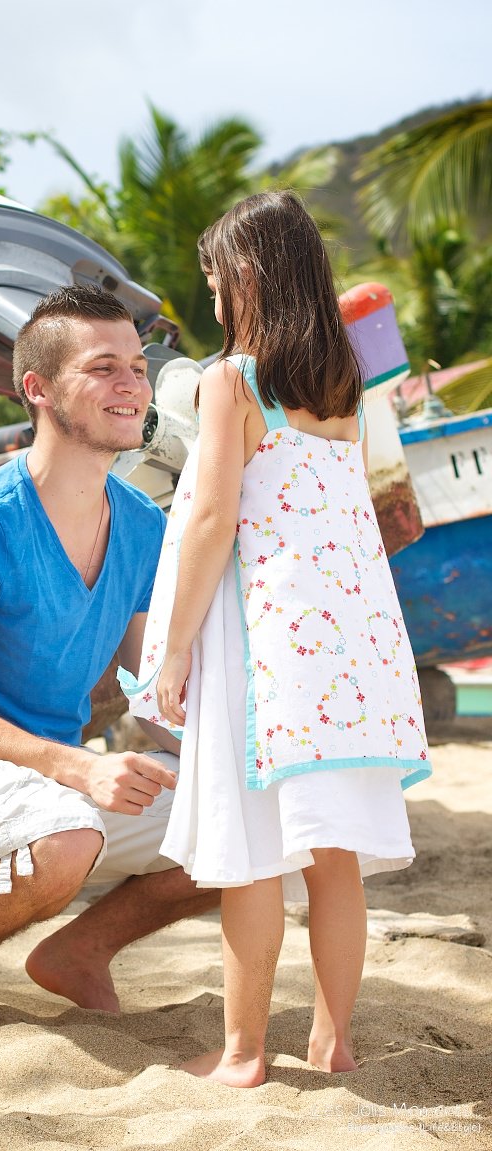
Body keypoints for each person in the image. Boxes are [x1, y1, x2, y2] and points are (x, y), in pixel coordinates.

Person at [121, 191, 431, 1088]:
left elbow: (214, 514)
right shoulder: (341, 383)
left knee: (249, 854)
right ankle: (334, 1042)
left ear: (248, 277)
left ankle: (244, 1053)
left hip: (265, 643)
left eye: (217, 281)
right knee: (335, 859)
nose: (213, 301)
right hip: (347, 647)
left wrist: (172, 648)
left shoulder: (233, 380)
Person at [0, 283, 219, 1043]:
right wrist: (81, 768)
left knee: (240, 822)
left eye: (136, 364)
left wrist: (221, 758)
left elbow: (149, 689)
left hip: (57, 782)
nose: (132, 382)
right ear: (37, 388)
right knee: (65, 836)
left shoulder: (140, 526)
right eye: (103, 367)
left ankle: (81, 950)